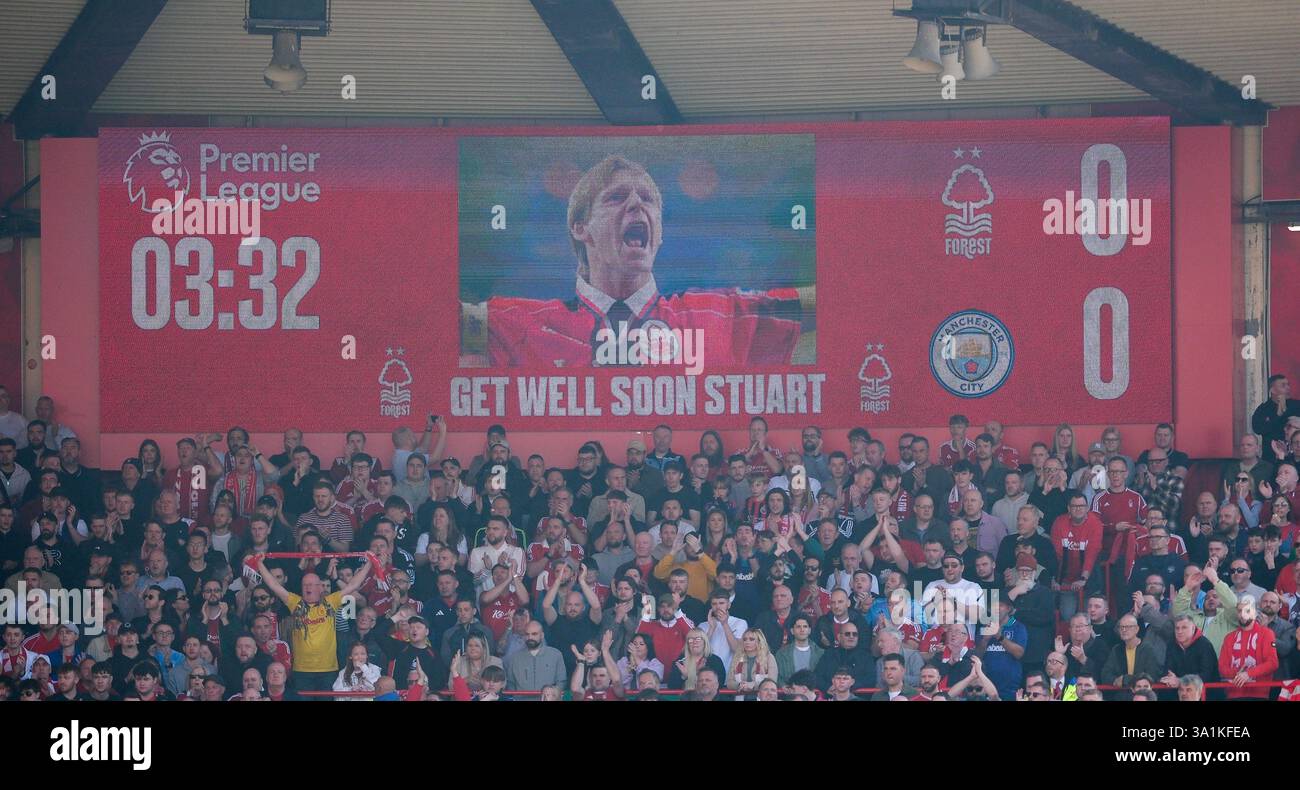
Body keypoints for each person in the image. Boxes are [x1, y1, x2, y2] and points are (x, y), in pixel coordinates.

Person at [256, 554, 372, 696]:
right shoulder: (295, 603)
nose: (308, 587)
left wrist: (370, 563)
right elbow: (273, 585)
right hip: (302, 671)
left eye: (312, 584)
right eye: (305, 585)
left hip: (328, 670)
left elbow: (353, 585)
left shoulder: (330, 602)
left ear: (320, 588)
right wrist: (259, 563)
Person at [1218, 595, 1279, 700]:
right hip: (1233, 695)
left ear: (1255, 613)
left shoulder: (1267, 634)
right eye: (1240, 611)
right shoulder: (1229, 638)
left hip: (1259, 695)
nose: (1243, 615)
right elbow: (1222, 667)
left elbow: (1273, 663)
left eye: (1247, 610)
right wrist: (1238, 674)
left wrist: (1248, 673)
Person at [504, 620, 567, 692]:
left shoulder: (556, 655)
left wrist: (552, 697)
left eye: (534, 634)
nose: (530, 637)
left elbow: (561, 681)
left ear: (542, 635)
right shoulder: (515, 658)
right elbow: (511, 683)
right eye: (527, 634)